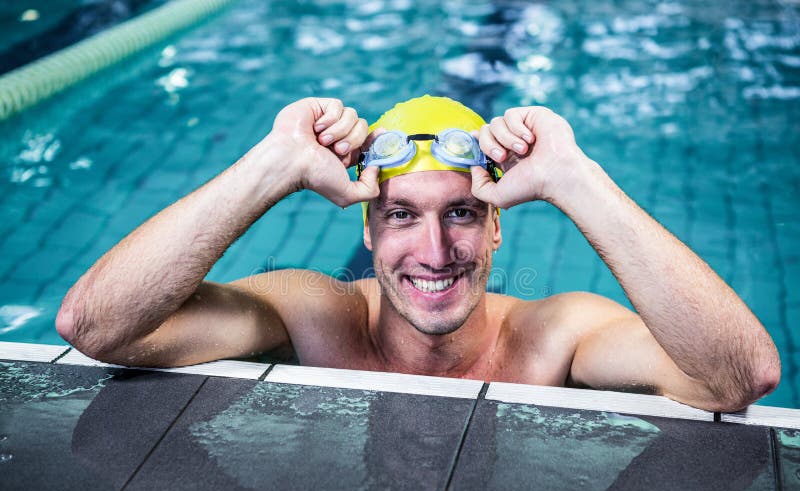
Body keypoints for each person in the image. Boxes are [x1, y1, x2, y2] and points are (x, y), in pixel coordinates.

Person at [55, 95, 780, 412]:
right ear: (367, 233)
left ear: (497, 227)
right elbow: (96, 327)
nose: (434, 252)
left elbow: (740, 375)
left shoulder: (555, 336)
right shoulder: (316, 313)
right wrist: (271, 165)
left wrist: (574, 179)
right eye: (401, 215)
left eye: (462, 213)